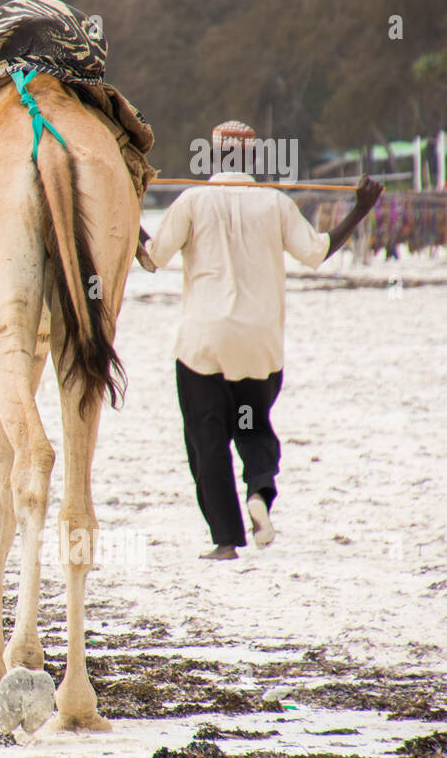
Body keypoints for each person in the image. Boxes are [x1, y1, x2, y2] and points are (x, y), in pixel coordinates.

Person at [146, 121, 382, 561]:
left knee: (207, 437)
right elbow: (317, 252)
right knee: (252, 425)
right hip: (259, 345)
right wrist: (361, 208)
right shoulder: (275, 203)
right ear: (254, 160)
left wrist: (125, 211)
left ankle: (225, 540)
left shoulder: (192, 201)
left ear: (213, 158)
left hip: (203, 345)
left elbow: (152, 258)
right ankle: (259, 491)